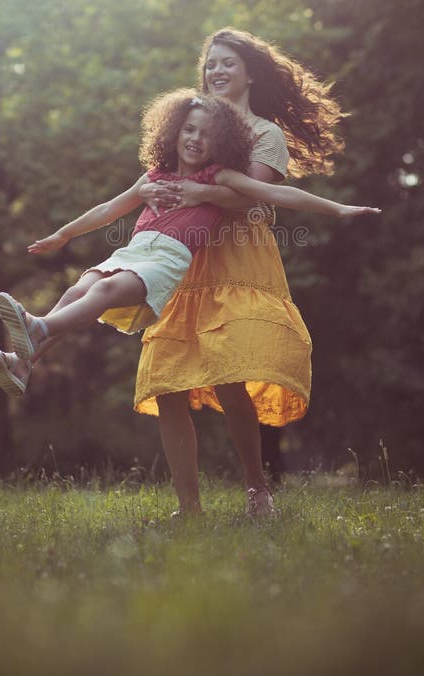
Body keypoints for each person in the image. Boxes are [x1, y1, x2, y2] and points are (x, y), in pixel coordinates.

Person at [0, 87, 379, 412]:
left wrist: (337, 208)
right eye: (189, 130)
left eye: (206, 134)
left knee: (105, 291)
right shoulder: (154, 176)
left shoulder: (218, 177)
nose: (195, 139)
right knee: (78, 288)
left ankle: (40, 327)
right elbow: (107, 210)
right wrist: (63, 235)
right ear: (174, 132)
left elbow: (275, 193)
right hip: (133, 251)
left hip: (166, 260)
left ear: (220, 143)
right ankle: (21, 364)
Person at [133, 28, 354, 517]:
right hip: (182, 253)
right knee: (168, 382)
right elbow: (160, 179)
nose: (216, 71)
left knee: (230, 375)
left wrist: (199, 192)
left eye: (227, 62)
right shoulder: (192, 125)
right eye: (210, 63)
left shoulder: (264, 134)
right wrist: (153, 193)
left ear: (250, 73)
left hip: (237, 257)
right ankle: (189, 508)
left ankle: (257, 489)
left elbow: (247, 196)